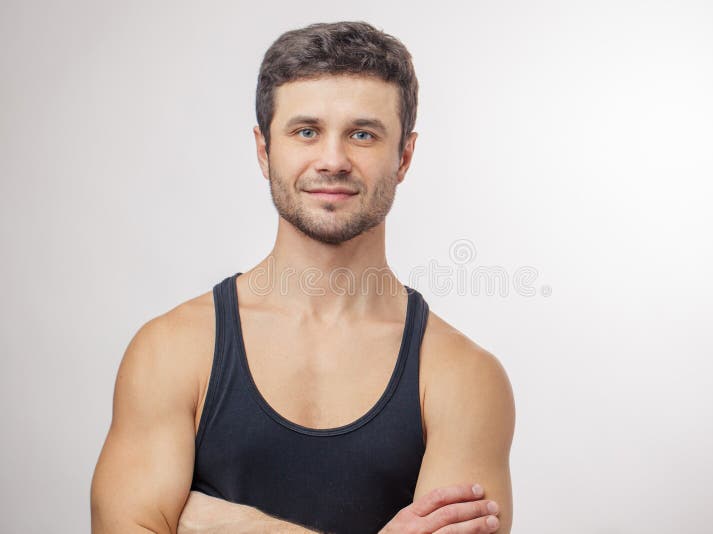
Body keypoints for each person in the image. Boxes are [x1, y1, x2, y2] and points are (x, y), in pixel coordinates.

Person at [91, 21, 515, 534]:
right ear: (264, 150)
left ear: (404, 156)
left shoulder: (464, 379)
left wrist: (233, 526)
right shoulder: (172, 350)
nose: (333, 161)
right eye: (306, 131)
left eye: (363, 134)